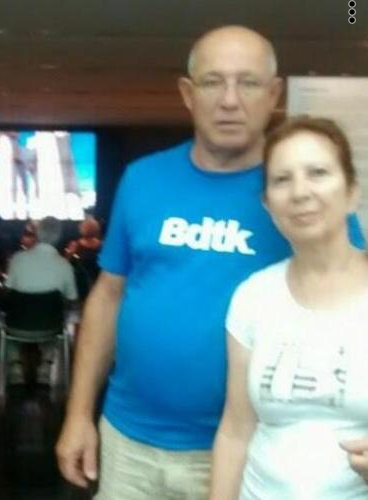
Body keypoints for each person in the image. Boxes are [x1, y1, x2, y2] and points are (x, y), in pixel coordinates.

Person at [55, 25, 367, 499]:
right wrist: (79, 413)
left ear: (274, 94)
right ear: (188, 93)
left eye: (248, 82)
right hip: (128, 439)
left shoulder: (300, 197)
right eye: (213, 82)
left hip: (244, 452)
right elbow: (108, 296)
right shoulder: (143, 180)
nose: (229, 100)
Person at [210, 116, 368, 499]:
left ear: (352, 192)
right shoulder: (253, 296)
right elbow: (235, 430)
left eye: (318, 173)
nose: (300, 192)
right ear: (267, 203)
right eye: (282, 179)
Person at [5, 216, 78, 385]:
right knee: (56, 321)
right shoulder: (65, 266)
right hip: (50, 327)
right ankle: (45, 369)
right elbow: (72, 301)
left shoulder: (17, 259)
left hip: (16, 325)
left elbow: (7, 293)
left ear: (37, 234)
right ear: (59, 237)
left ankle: (15, 369)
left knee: (9, 328)